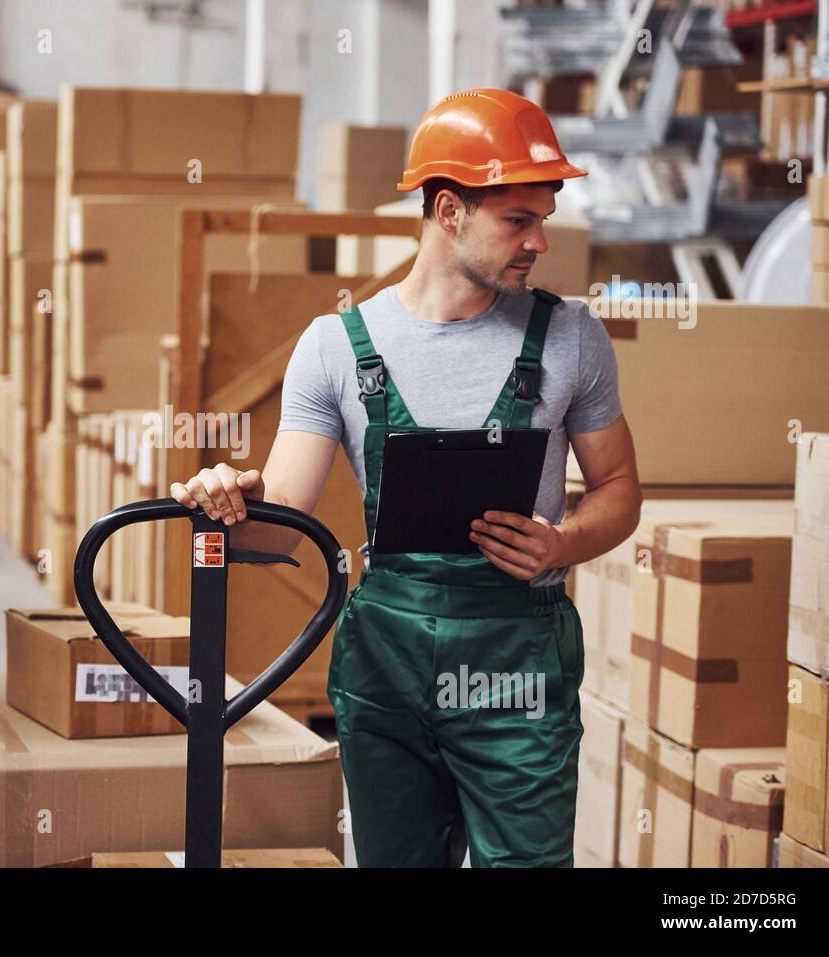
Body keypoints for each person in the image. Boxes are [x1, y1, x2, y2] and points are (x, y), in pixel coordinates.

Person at [169, 88, 643, 867]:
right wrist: (222, 502)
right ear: (450, 209)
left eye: (543, 218)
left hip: (518, 672)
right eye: (518, 221)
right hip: (386, 670)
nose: (539, 242)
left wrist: (563, 542)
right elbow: (280, 521)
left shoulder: (571, 337)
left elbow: (620, 486)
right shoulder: (334, 346)